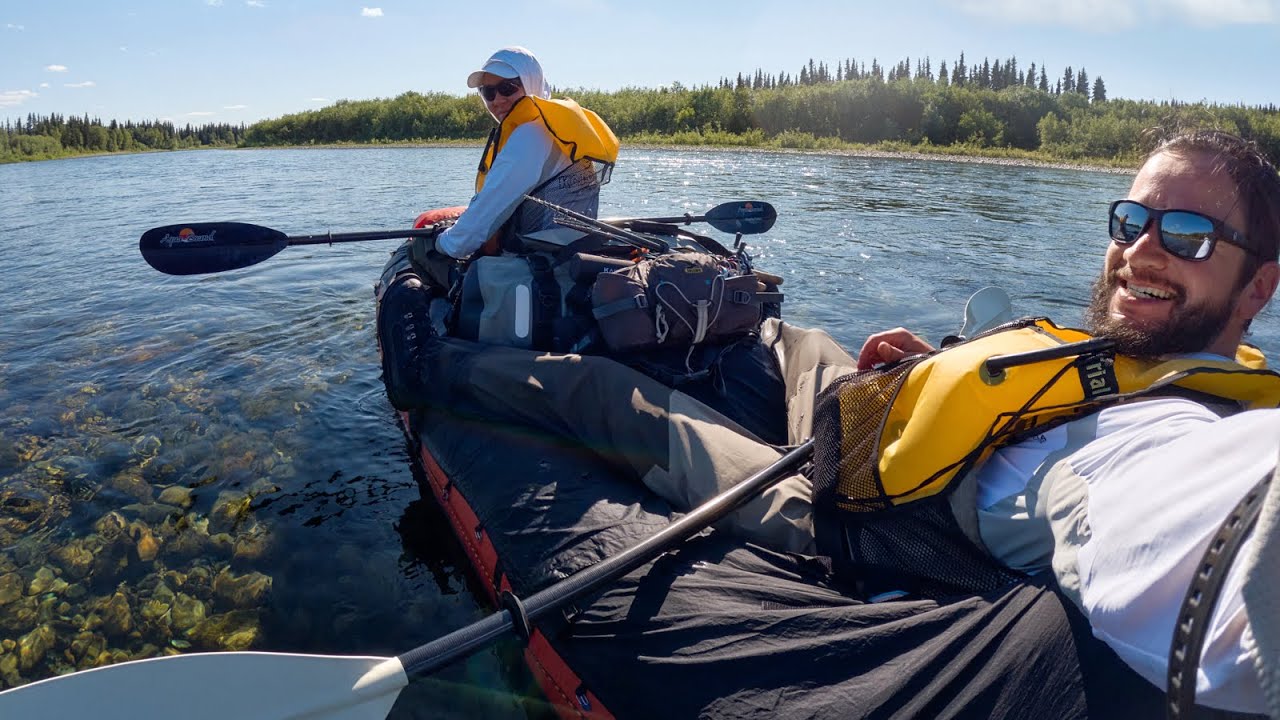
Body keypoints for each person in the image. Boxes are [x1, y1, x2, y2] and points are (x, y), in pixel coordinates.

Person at [396, 129, 1280, 711]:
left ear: (1260, 286)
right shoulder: (1162, 363)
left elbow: (1210, 522)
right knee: (792, 335)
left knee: (604, 394)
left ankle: (438, 361)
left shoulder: (1186, 448)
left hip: (860, 514)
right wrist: (932, 370)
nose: (1142, 248)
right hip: (884, 417)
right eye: (1132, 218)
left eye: (1190, 234)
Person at [378, 46, 619, 410]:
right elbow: (502, 202)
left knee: (420, 251)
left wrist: (440, 241)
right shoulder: (557, 126)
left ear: (531, 84)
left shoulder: (528, 135)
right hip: (567, 256)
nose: (496, 100)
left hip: (530, 265)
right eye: (487, 92)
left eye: (507, 88)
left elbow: (463, 242)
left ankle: (420, 356)